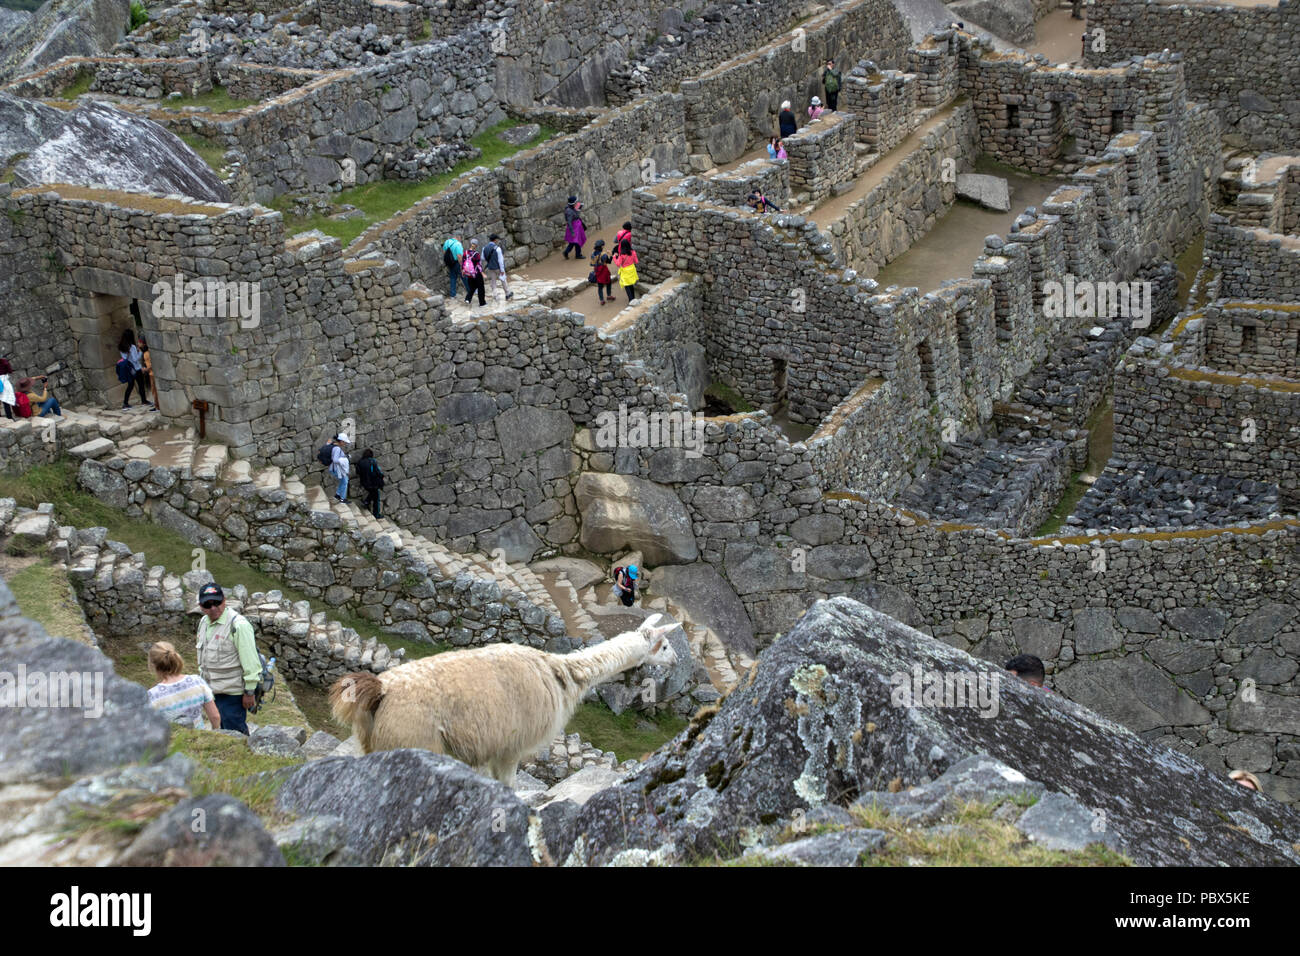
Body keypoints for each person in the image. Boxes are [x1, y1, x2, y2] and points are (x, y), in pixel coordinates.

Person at [195, 583, 262, 736]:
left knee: (235, 736)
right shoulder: (203, 623)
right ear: (201, 606)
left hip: (232, 695)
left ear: (224, 600)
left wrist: (249, 692)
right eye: (207, 604)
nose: (213, 608)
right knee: (219, 734)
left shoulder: (239, 625)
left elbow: (251, 662)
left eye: (216, 602)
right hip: (211, 693)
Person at [147, 641, 221, 730]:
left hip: (176, 742)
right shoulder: (197, 681)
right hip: (200, 739)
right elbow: (215, 716)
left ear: (153, 665)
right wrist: (215, 733)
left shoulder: (152, 695)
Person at [118, 329, 148, 410]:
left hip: (129, 369)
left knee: (130, 386)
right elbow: (135, 359)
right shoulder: (132, 347)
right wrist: (140, 352)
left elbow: (124, 358)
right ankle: (144, 401)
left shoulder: (121, 346)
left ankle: (125, 403)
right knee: (141, 385)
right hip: (136, 369)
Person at [481, 233, 513, 302]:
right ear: (495, 240)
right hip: (498, 268)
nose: (498, 241)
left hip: (490, 268)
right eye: (497, 240)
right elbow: (500, 261)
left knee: (493, 282)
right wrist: (502, 270)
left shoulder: (484, 248)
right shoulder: (498, 249)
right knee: (503, 280)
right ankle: (507, 293)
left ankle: (496, 296)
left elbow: (483, 258)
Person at [357, 448, 384, 519]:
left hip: (364, 483)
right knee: (376, 498)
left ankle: (366, 502)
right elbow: (377, 472)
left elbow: (358, 472)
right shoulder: (372, 461)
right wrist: (381, 476)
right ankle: (376, 514)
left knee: (372, 493)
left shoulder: (360, 462)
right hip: (373, 483)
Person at [462, 238, 486, 307]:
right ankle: (482, 303)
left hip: (469, 274)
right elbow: (479, 265)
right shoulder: (476, 254)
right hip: (476, 274)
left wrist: (463, 271)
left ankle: (467, 299)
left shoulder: (465, 253)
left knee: (472, 288)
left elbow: (463, 263)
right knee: (481, 288)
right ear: (476, 245)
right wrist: (482, 273)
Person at [442, 231, 464, 298]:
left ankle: (452, 295)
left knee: (453, 278)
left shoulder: (447, 242)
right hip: (457, 263)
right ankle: (470, 290)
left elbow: (444, 252)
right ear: (458, 236)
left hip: (450, 263)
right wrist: (462, 265)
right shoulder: (458, 244)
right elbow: (459, 256)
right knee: (464, 277)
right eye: (461, 238)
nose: (461, 239)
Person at [330, 433, 351, 502]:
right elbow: (335, 460)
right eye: (344, 442)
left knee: (343, 481)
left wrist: (345, 457)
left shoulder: (334, 446)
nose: (345, 444)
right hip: (337, 469)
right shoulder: (337, 449)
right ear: (341, 441)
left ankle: (338, 494)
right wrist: (344, 460)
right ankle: (343, 498)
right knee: (345, 482)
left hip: (335, 468)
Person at [139, 336, 159, 410]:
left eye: (140, 342)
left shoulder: (147, 353)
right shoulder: (146, 352)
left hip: (152, 374)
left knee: (154, 390)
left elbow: (151, 364)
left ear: (144, 344)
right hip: (151, 373)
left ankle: (157, 406)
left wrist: (145, 369)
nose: (138, 344)